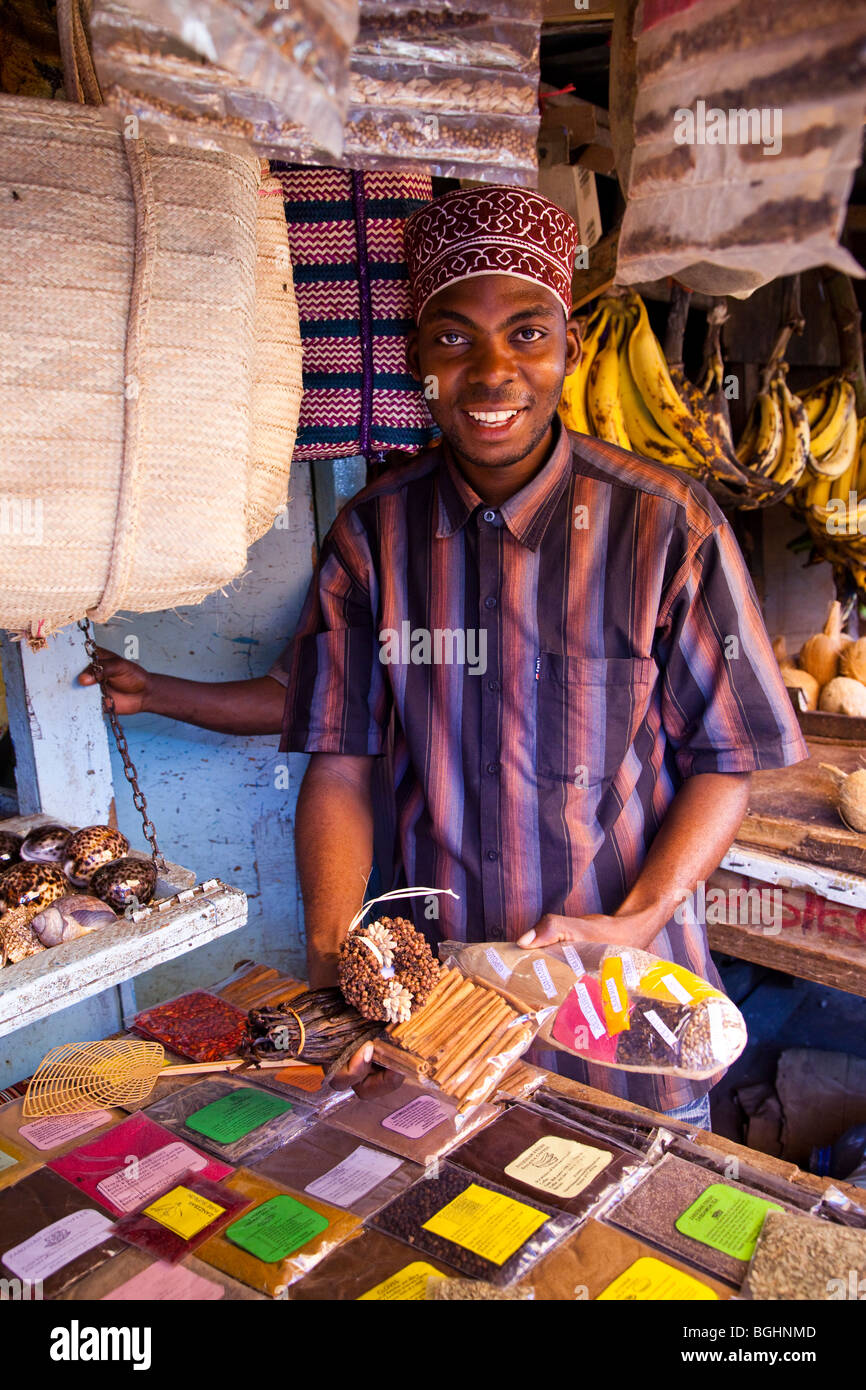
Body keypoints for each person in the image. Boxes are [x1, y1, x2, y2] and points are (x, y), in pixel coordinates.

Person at [81, 186, 808, 1124]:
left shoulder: (669, 526)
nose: (493, 371)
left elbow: (729, 761)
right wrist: (337, 953)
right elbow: (341, 762)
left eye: (527, 335)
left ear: (569, 349)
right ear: (418, 357)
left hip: (626, 1003)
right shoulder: (373, 535)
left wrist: (640, 916)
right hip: (437, 1014)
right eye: (455, 338)